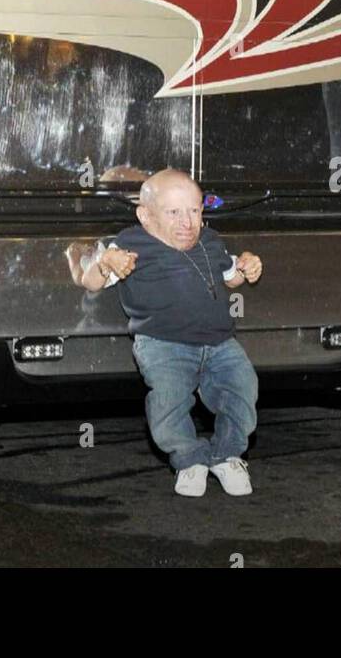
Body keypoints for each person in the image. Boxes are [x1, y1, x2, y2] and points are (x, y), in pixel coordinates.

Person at [81, 168, 263, 498]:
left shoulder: (209, 241)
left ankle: (227, 455)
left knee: (243, 388)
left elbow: (231, 276)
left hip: (220, 342)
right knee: (169, 401)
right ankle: (188, 459)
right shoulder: (130, 244)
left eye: (194, 210)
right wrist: (106, 262)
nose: (187, 222)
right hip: (164, 344)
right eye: (174, 212)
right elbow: (90, 280)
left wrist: (247, 265)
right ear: (146, 216)